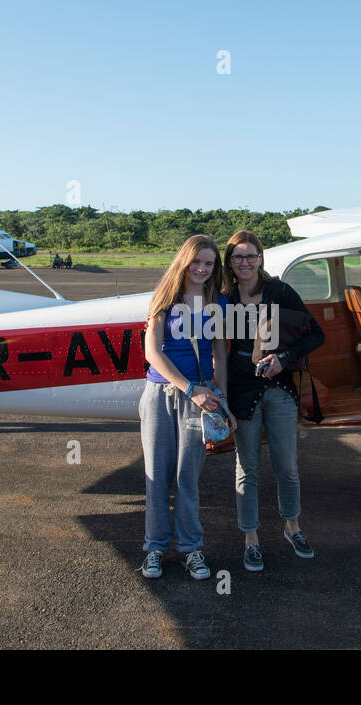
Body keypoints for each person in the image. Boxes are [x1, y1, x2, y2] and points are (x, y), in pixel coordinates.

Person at [222, 230, 324, 573]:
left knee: (288, 467)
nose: (245, 263)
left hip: (280, 388)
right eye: (238, 257)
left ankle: (293, 527)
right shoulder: (224, 297)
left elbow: (315, 334)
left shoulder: (279, 291)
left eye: (251, 256)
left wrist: (284, 356)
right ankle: (250, 539)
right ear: (230, 262)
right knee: (246, 468)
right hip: (242, 390)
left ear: (261, 258)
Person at [138, 234, 233, 580]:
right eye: (197, 262)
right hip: (161, 394)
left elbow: (220, 354)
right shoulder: (164, 297)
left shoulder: (220, 304)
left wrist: (221, 399)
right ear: (184, 261)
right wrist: (190, 388)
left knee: (187, 479)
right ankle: (155, 548)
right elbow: (153, 353)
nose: (202, 269)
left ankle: (192, 549)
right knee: (157, 477)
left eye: (209, 264)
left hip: (203, 397)